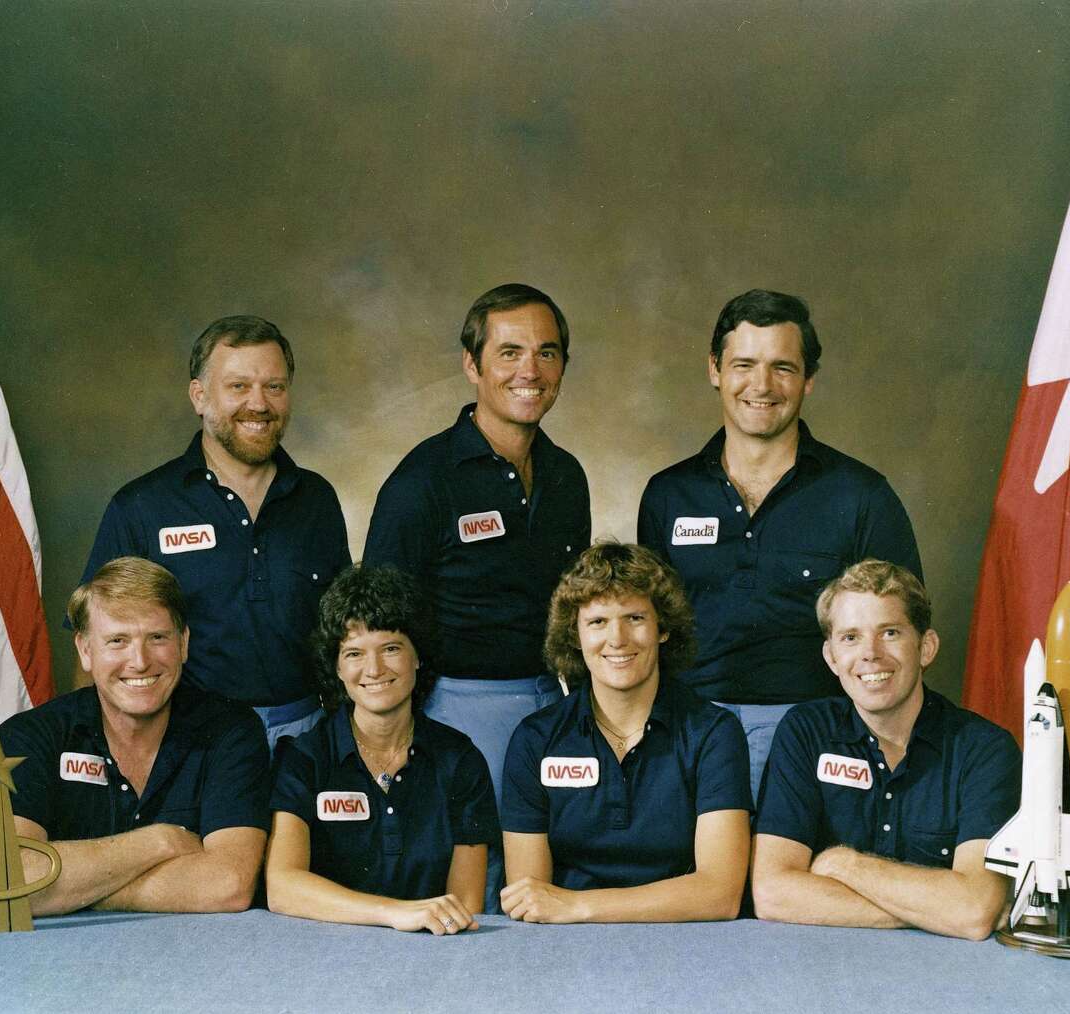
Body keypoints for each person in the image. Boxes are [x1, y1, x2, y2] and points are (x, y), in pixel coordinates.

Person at [638, 289, 922, 798]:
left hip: (819, 735)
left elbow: (902, 634)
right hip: (689, 736)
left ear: (808, 380)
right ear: (714, 370)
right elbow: (647, 632)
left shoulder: (861, 496)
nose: (761, 386)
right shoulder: (667, 494)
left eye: (783, 368)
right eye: (744, 364)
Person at [362, 283, 590, 907]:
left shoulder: (568, 477)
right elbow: (377, 616)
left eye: (547, 353)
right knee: (476, 884)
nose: (530, 370)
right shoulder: (422, 482)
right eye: (510, 351)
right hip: (454, 709)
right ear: (472, 365)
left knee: (547, 882)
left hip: (554, 706)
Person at [76, 315, 351, 750]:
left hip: (307, 736)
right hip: (190, 741)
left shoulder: (316, 499)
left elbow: (344, 629)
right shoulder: (143, 506)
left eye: (274, 387)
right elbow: (95, 641)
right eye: (239, 386)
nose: (259, 404)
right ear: (199, 396)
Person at [0, 557, 270, 915]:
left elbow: (228, 887)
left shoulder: (231, 731)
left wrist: (68, 893)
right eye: (117, 640)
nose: (139, 661)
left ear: (183, 643)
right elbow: (1, 878)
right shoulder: (26, 737)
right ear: (86, 650)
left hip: (199, 956)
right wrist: (159, 841)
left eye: (157, 638)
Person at [750, 560, 1020, 940]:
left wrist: (841, 864)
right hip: (820, 967)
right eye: (850, 638)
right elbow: (773, 894)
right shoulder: (806, 733)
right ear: (830, 657)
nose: (870, 654)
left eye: (890, 632)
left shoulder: (984, 750)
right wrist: (935, 911)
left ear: (926, 648)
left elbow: (974, 910)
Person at [500, 543, 751, 923]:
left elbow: (720, 894)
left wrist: (579, 905)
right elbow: (530, 897)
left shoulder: (713, 733)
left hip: (684, 939)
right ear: (575, 634)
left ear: (663, 628)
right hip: (568, 945)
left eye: (634, 618)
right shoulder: (535, 739)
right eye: (598, 622)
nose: (617, 639)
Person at [265, 565, 498, 934]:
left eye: (391, 648)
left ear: (418, 657)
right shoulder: (305, 758)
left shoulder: (460, 759)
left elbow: (464, 905)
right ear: (336, 667)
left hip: (432, 947)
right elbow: (282, 886)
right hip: (322, 951)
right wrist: (394, 914)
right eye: (354, 653)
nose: (373, 669)